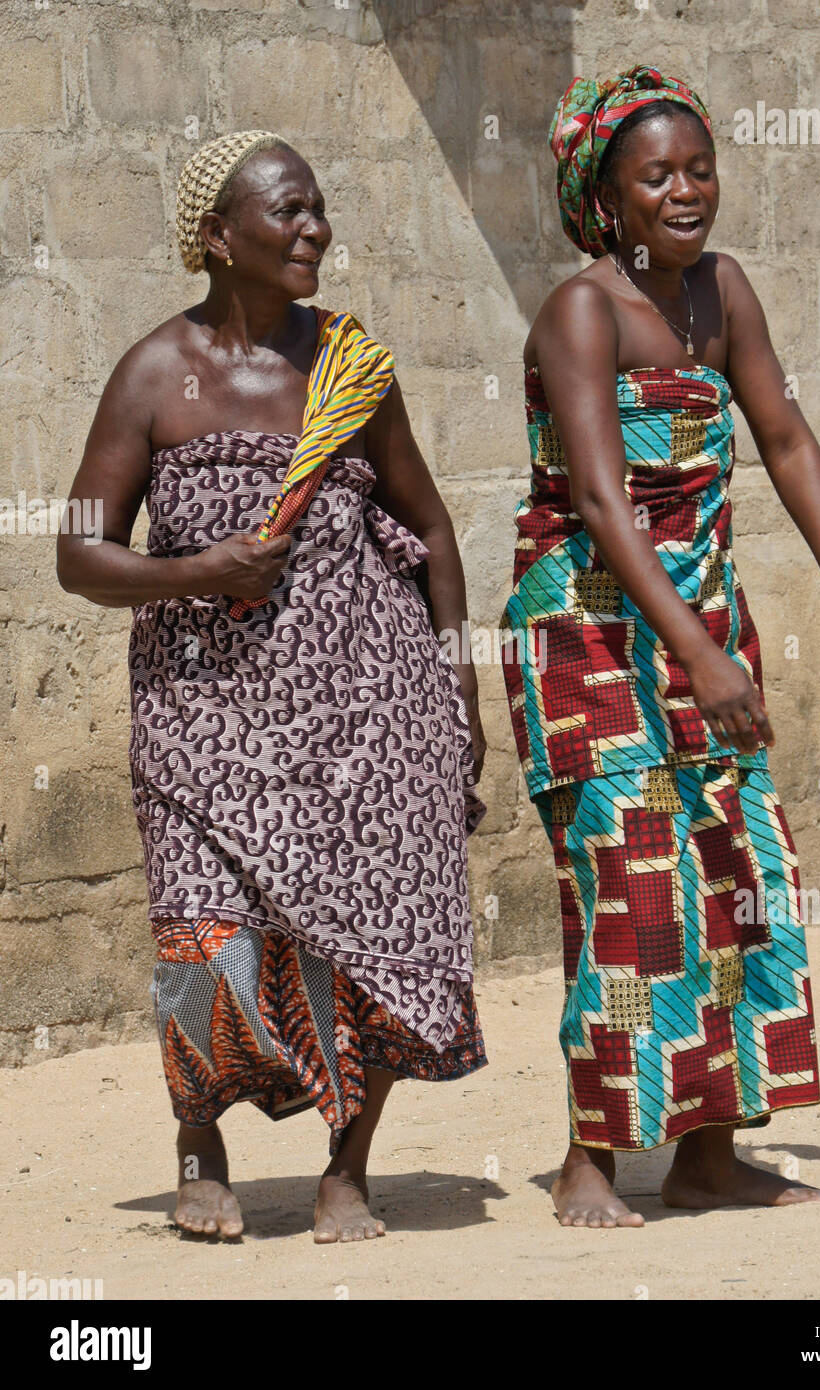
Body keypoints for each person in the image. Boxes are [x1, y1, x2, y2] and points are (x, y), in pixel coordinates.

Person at [57, 130, 487, 1244]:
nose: (313, 231)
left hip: (366, 704)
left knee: (377, 924)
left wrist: (458, 688)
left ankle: (348, 1165)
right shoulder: (156, 374)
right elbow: (78, 551)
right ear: (216, 237)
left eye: (317, 209)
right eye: (287, 212)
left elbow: (432, 531)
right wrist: (200, 570)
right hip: (203, 720)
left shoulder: (351, 368)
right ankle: (202, 1145)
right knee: (202, 932)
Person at [501, 67, 820, 1228]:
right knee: (627, 888)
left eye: (698, 168)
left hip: (704, 617)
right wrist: (699, 660)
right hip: (586, 635)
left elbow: (780, 429)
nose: (685, 191)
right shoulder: (582, 311)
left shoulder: (721, 292)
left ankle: (709, 1155)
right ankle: (589, 1156)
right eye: (655, 176)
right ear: (607, 201)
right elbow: (601, 501)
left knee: (733, 870)